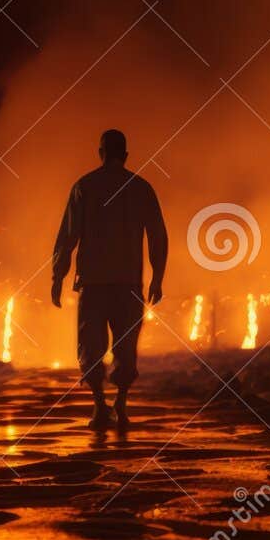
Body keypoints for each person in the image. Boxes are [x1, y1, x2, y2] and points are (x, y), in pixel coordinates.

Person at [51, 129, 167, 430]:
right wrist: (158, 277)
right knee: (126, 346)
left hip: (94, 285)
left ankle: (100, 405)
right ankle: (121, 404)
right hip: (129, 284)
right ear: (125, 155)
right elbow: (158, 237)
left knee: (91, 346)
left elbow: (67, 236)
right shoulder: (141, 188)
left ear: (100, 152)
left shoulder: (84, 187)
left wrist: (57, 276)